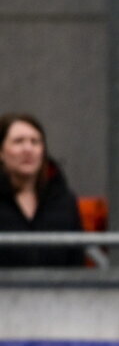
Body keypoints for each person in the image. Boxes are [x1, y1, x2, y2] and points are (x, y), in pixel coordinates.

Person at [0, 112, 84, 267]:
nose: (28, 149)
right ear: (1, 152)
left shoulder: (63, 201)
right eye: (18, 141)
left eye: (35, 142)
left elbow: (76, 261)